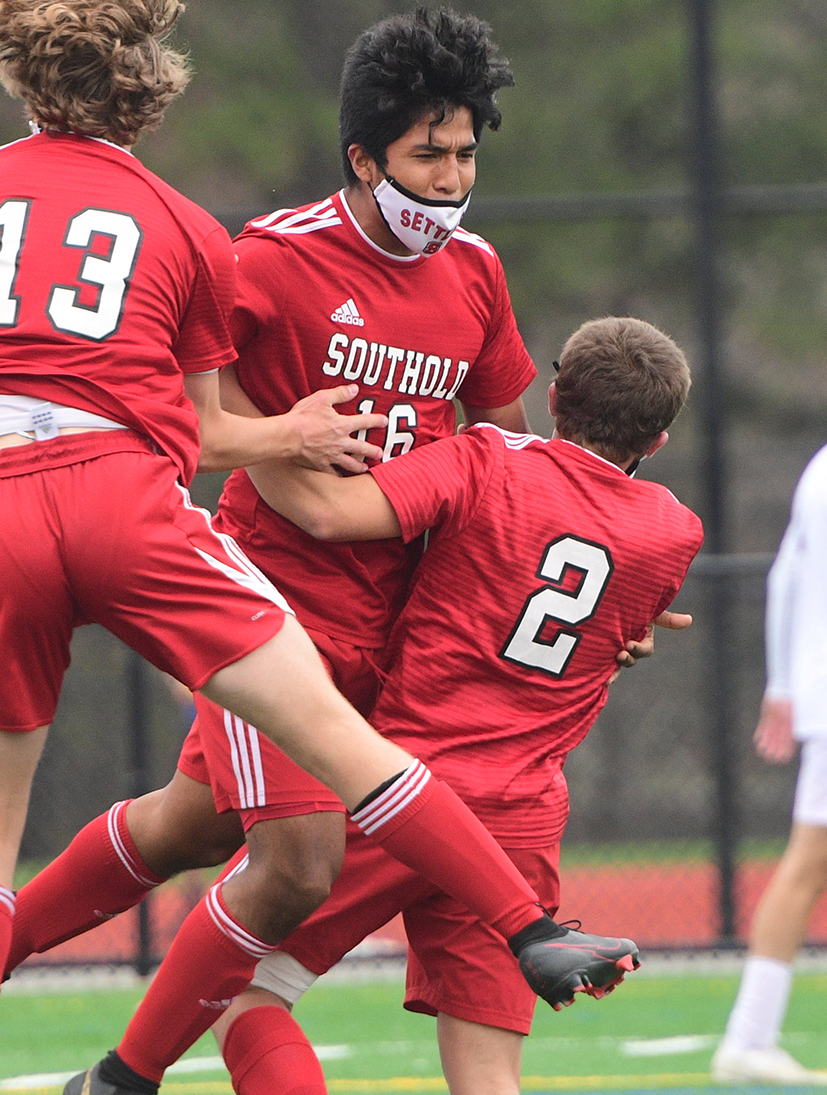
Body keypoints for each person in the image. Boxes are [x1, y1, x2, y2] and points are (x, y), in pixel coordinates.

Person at [0, 0, 638, 1095]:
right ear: (362, 157)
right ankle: (117, 1070)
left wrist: (600, 575)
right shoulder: (259, 257)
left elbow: (509, 456)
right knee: (297, 866)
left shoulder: (476, 272)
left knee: (191, 828)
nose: (451, 178)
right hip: (280, 590)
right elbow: (192, 430)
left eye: (465, 154)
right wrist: (306, 462)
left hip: (401, 625)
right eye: (427, 154)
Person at [201, 315, 703, 1095]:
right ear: (660, 440)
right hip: (524, 817)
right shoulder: (674, 531)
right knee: (487, 1076)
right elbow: (604, 606)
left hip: (406, 790)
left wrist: (259, 426)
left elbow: (330, 513)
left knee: (235, 993)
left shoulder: (485, 456)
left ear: (554, 390)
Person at [712, 443, 827, 1085]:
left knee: (808, 861)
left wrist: (784, 683)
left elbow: (786, 574)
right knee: (809, 861)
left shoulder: (817, 465)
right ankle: (749, 1037)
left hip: (818, 687)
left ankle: (749, 1036)